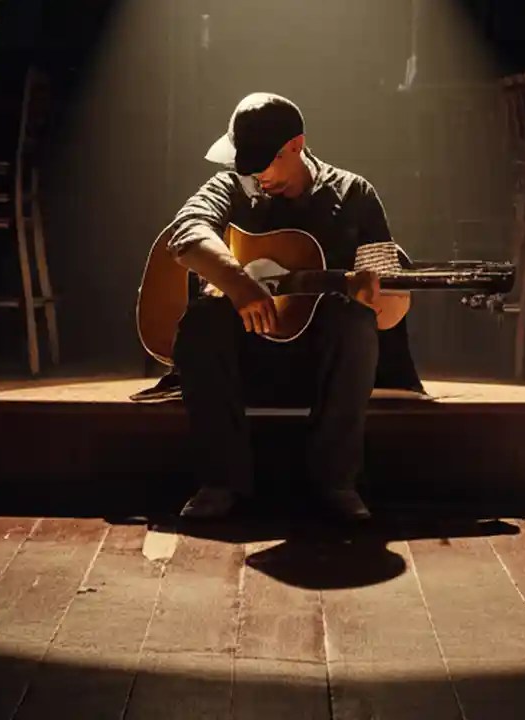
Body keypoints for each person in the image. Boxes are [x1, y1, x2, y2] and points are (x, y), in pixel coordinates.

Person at [165, 92, 421, 521]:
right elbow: (186, 234)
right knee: (203, 320)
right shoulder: (232, 184)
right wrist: (238, 283)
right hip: (247, 353)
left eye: (266, 161)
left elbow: (388, 307)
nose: (257, 175)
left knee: (354, 322)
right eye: (246, 162)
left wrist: (374, 296)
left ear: (297, 145)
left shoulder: (354, 193)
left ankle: (336, 482)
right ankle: (220, 481)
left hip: (320, 360)